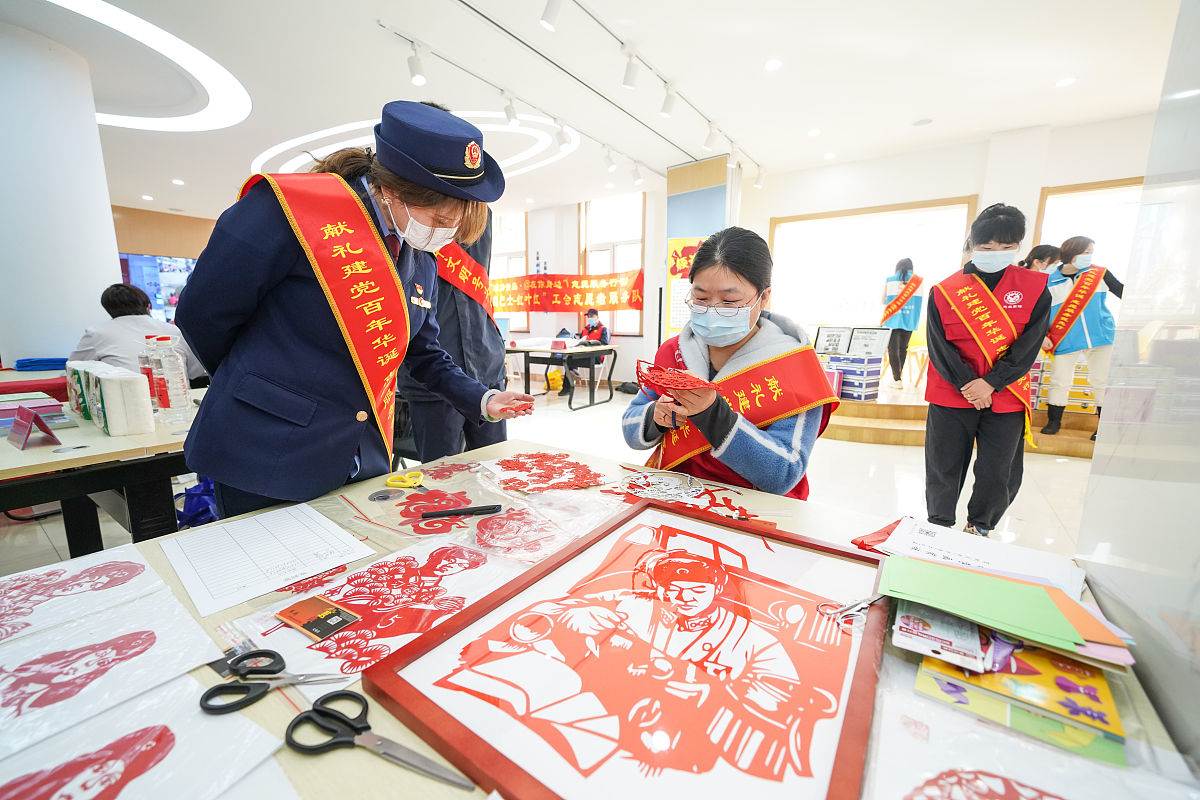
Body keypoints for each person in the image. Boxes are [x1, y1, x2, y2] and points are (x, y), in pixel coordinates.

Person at [175, 102, 534, 518]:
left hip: (360, 454)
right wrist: (261, 381)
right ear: (393, 189)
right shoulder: (290, 212)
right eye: (438, 217)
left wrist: (485, 398)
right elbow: (204, 314)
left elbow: (424, 354)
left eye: (456, 224)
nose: (444, 232)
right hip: (267, 451)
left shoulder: (420, 258)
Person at [621, 227, 838, 498]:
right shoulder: (672, 353)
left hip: (755, 514)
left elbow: (785, 473)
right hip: (677, 501)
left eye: (729, 301)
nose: (712, 311)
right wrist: (655, 416)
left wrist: (713, 415)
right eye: (700, 298)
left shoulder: (795, 366)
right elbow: (630, 426)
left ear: (763, 297)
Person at [924, 203, 1050, 536]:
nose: (997, 253)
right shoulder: (943, 291)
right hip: (952, 393)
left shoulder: (1036, 288)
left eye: (1007, 248)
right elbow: (939, 347)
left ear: (1018, 247)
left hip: (1005, 394)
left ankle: (980, 524)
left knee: (999, 469)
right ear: (971, 245)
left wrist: (991, 383)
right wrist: (970, 384)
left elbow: (1028, 346)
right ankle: (939, 524)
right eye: (987, 247)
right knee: (943, 465)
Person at [395, 102, 509, 463]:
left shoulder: (481, 214)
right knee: (442, 480)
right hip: (434, 379)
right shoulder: (406, 220)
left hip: (488, 367)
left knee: (494, 471)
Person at [1040, 236, 1123, 439]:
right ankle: (1054, 421)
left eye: (1091, 252)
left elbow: (1123, 293)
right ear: (1071, 253)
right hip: (1065, 338)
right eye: (1085, 252)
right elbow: (1037, 312)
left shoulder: (1099, 274)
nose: (1089, 256)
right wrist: (1042, 335)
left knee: (1100, 380)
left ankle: (1103, 427)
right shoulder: (1048, 279)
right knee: (1060, 380)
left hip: (1101, 336)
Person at [68, 284, 206, 385]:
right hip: (176, 405)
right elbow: (195, 372)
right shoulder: (174, 331)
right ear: (148, 306)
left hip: (122, 406)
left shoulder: (96, 333)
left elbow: (75, 370)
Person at [881, 258, 923, 388]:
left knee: (892, 349)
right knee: (902, 348)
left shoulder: (890, 280)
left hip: (893, 319)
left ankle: (897, 379)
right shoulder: (918, 281)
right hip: (910, 319)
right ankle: (898, 377)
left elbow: (883, 300)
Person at [559, 307, 611, 395]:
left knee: (571, 362)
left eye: (592, 316)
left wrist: (591, 344)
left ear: (597, 317)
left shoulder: (603, 329)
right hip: (584, 354)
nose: (590, 318)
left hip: (596, 356)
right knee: (568, 359)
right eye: (588, 316)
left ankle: (573, 374)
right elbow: (580, 341)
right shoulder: (585, 329)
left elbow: (604, 344)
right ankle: (567, 388)